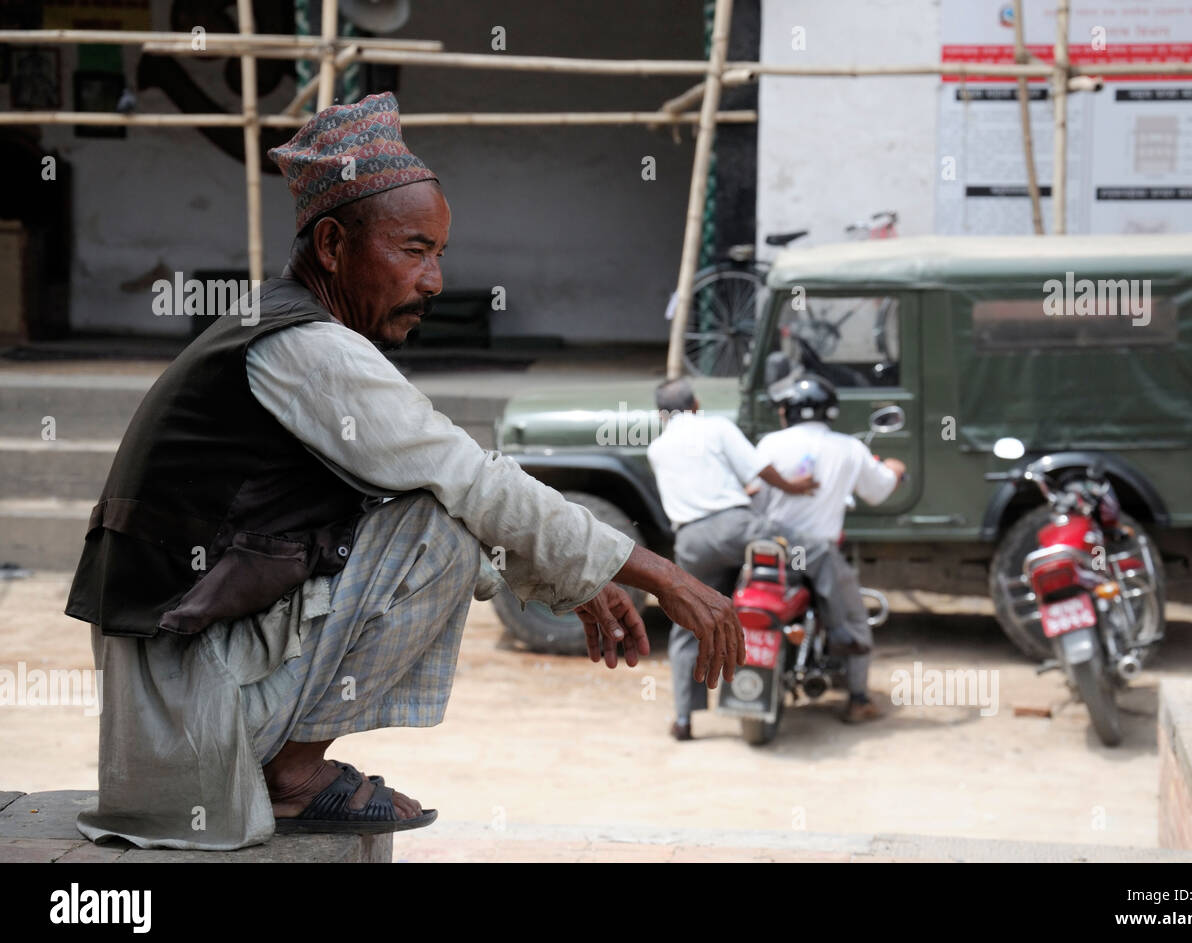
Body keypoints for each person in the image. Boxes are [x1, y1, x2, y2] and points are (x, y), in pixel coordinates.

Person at [64, 92, 746, 850]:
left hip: (190, 691)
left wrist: (573, 578)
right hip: (187, 711)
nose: (434, 282)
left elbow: (445, 490)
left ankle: (289, 761)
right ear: (331, 245)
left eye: (440, 255)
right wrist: (664, 576)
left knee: (443, 513)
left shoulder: (282, 324)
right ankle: (292, 773)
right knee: (443, 525)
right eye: (413, 250)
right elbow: (472, 481)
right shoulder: (307, 348)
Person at [646, 377, 820, 740]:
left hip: (693, 542)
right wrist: (795, 487)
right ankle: (831, 629)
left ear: (662, 415)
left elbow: (698, 489)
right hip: (739, 529)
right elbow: (761, 469)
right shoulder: (717, 427)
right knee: (810, 551)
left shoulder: (657, 449)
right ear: (696, 404)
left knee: (689, 624)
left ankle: (684, 718)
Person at [754, 373, 906, 723]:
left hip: (772, 552)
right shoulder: (849, 448)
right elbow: (878, 490)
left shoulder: (769, 445)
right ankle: (857, 699)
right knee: (854, 618)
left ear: (788, 411)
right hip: (819, 553)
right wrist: (895, 470)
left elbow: (756, 497)